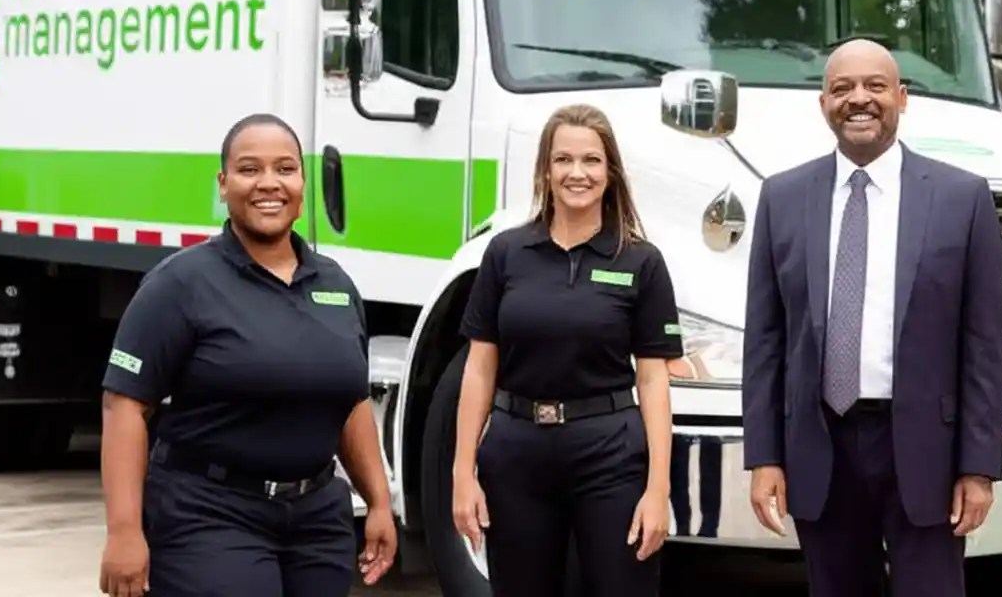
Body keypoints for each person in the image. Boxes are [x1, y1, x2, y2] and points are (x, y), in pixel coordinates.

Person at [741, 39, 1002, 596]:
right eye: (842, 88)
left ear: (902, 98)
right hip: (819, 449)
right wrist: (764, 456)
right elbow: (766, 341)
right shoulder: (782, 198)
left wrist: (978, 467)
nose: (858, 99)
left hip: (924, 451)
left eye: (875, 86)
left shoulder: (963, 199)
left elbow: (984, 346)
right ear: (823, 105)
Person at [97, 113, 397, 597]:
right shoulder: (180, 283)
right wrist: (124, 532)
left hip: (317, 519)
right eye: (249, 169)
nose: (269, 184)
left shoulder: (337, 286)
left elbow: (350, 403)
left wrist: (378, 502)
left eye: (285, 169)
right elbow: (126, 404)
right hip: (210, 514)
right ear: (223, 184)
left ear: (303, 182)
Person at [451, 104, 683, 596]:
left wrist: (658, 488)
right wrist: (461, 472)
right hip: (516, 455)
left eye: (591, 161)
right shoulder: (505, 254)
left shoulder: (641, 262)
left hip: (610, 455)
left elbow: (653, 378)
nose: (577, 173)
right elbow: (479, 368)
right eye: (563, 160)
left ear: (611, 172)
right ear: (545, 169)